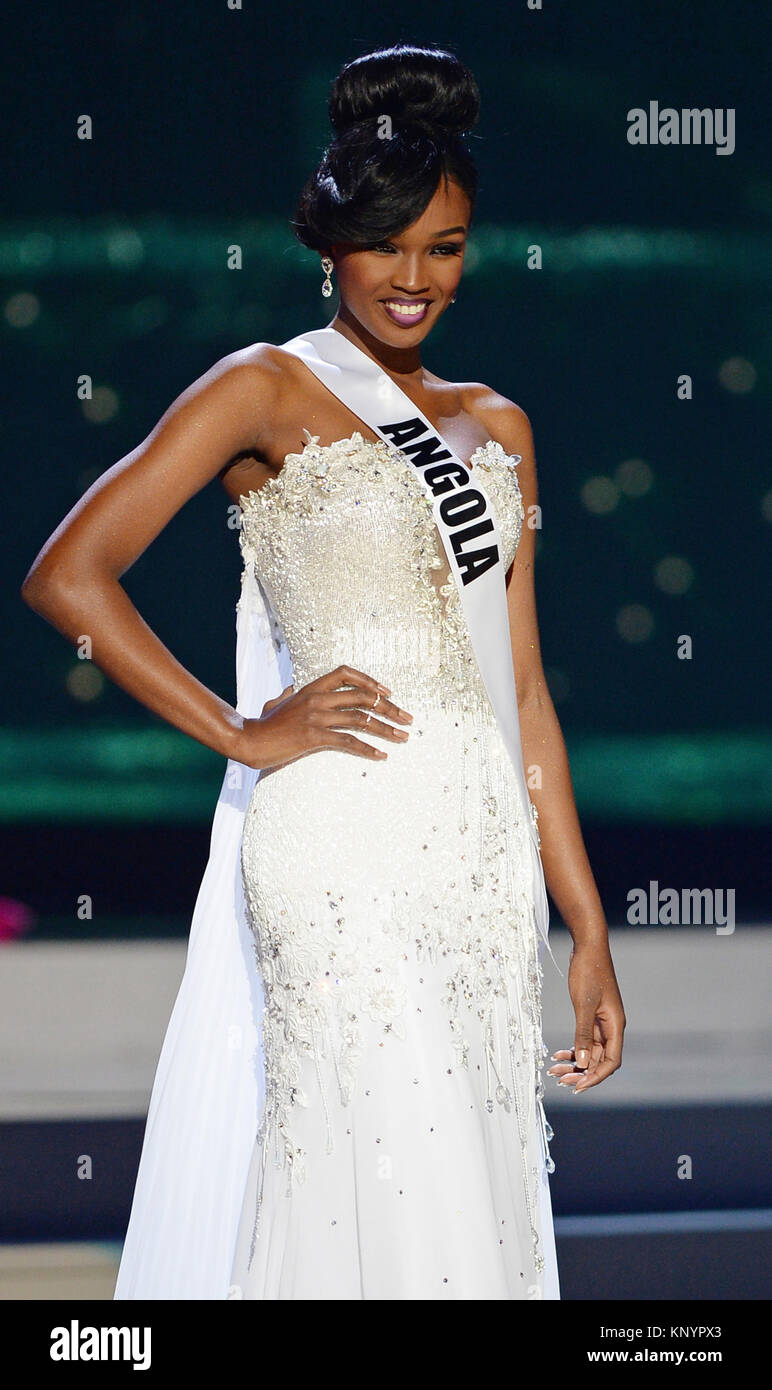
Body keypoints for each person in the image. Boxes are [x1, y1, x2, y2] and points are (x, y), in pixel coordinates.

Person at [21, 42, 625, 1301]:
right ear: (330, 244)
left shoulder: (497, 424)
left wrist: (585, 922)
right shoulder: (265, 388)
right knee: (366, 1178)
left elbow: (520, 694)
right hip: (340, 850)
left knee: (465, 1190)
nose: (414, 278)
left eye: (443, 248)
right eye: (386, 245)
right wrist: (241, 731)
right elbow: (68, 574)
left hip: (479, 865)